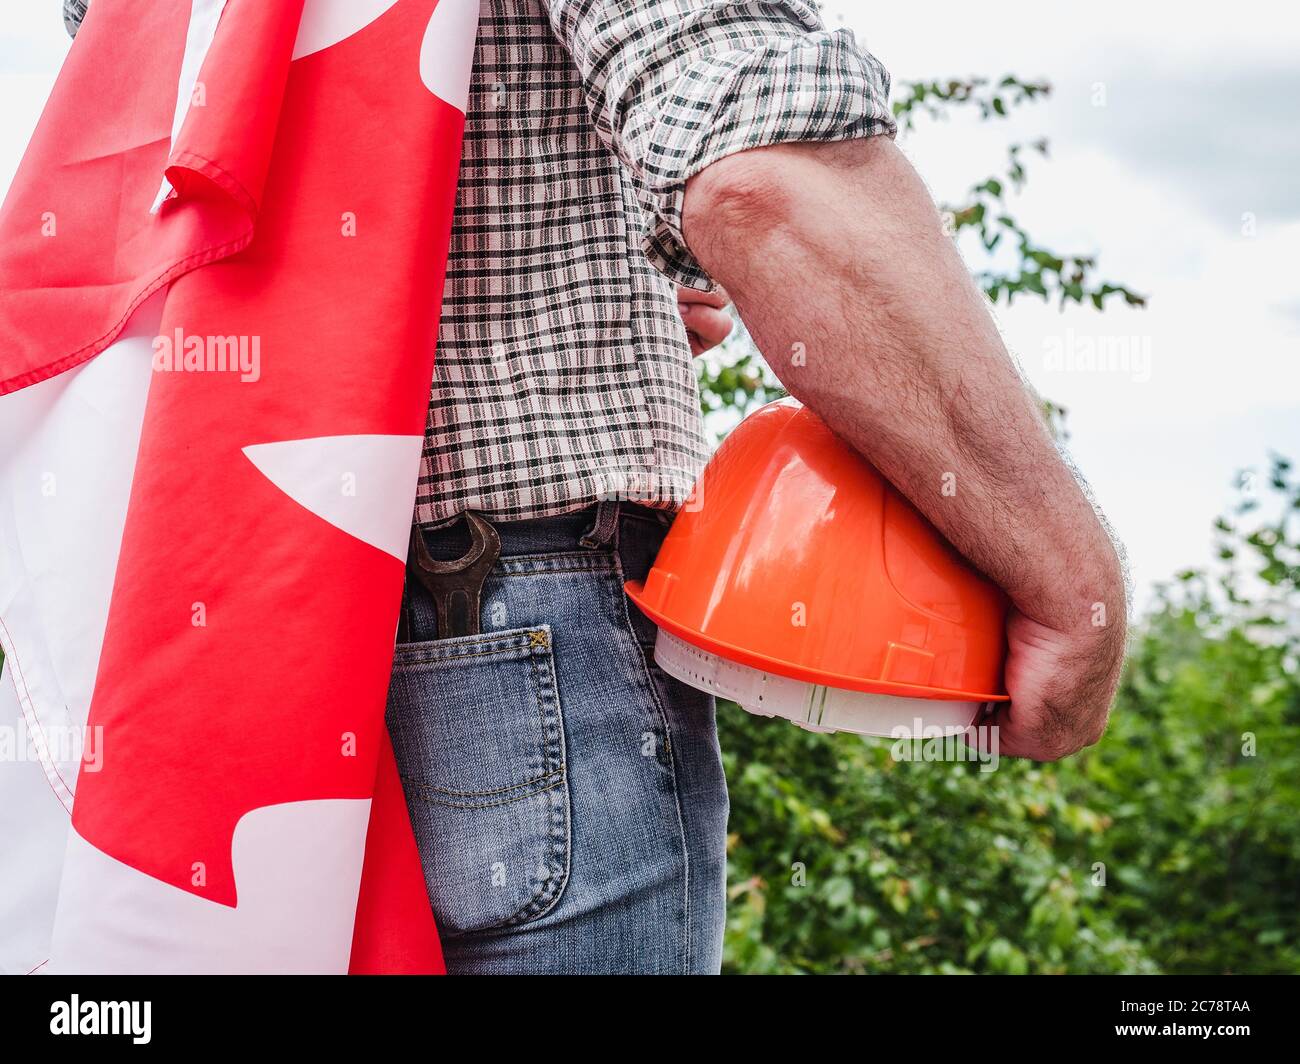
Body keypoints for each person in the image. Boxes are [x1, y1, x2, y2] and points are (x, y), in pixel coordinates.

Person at [63, 0, 1125, 975]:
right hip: (514, 635)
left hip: (214, 625)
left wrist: (605, 285)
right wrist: (1067, 576)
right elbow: (757, 171)